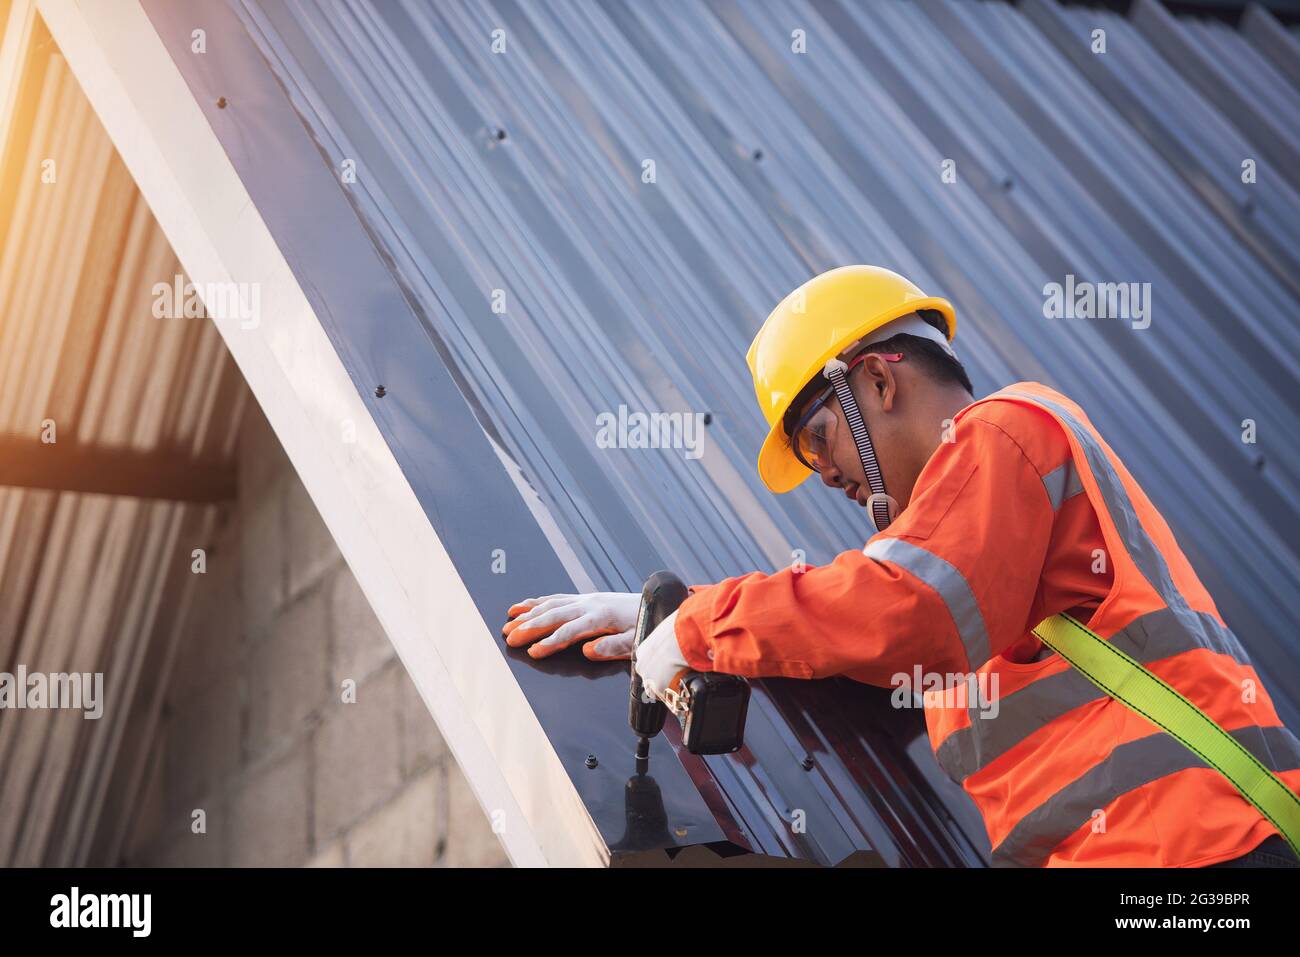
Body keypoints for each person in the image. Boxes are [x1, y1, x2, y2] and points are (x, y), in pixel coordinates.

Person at [501, 265, 1300, 867]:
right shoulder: (972, 560)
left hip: (1211, 850)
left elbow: (898, 610)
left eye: (817, 441)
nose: (828, 477)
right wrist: (670, 615)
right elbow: (854, 626)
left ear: (878, 379)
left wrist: (700, 625)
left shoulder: (1008, 431)